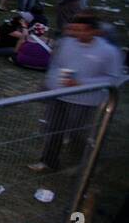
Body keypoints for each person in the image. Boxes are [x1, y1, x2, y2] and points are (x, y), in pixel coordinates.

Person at [29, 13, 125, 173]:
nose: (78, 34)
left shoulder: (108, 52)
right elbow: (55, 66)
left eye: (83, 30)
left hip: (85, 100)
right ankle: (48, 161)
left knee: (79, 134)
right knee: (53, 129)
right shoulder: (67, 43)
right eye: (76, 30)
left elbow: (113, 78)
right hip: (59, 96)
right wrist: (51, 85)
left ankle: (86, 165)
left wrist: (83, 83)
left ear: (94, 31)